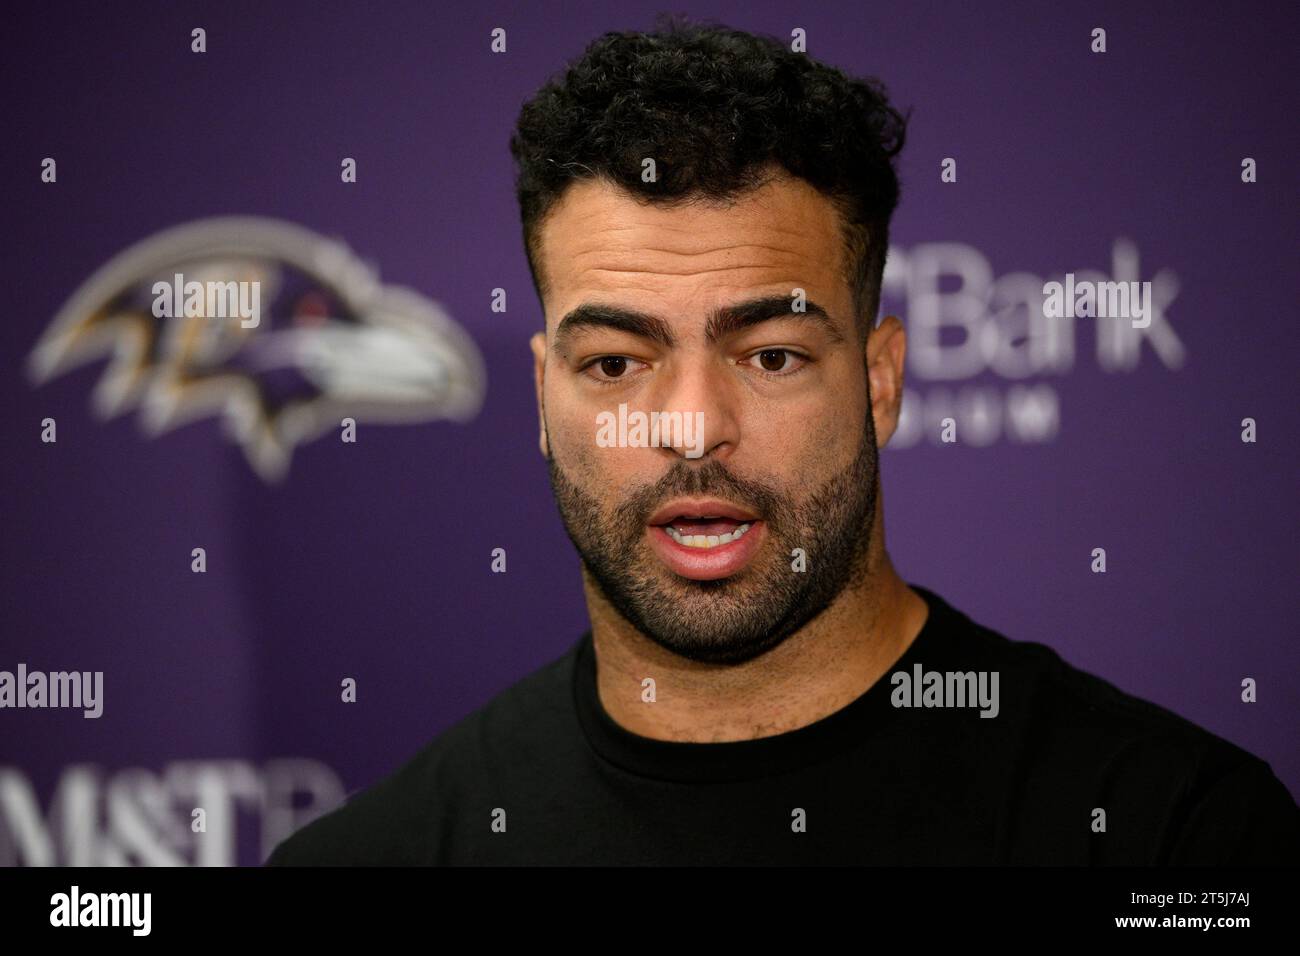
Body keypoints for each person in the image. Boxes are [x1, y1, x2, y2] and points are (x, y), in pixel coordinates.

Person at [267, 17, 1298, 865]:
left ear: (880, 379)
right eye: (616, 363)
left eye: (769, 355)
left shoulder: (1173, 836)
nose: (693, 430)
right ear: (542, 395)